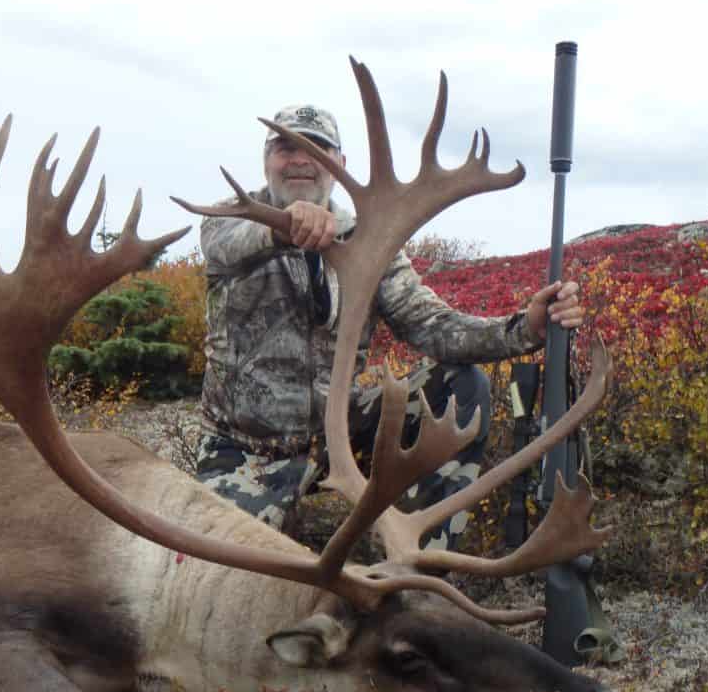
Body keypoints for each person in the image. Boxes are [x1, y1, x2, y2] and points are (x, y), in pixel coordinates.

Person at [196, 103, 586, 550]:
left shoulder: (371, 235)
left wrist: (523, 329)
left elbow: (430, 324)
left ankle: (420, 561)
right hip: (247, 448)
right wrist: (282, 230)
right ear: (267, 161)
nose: (301, 159)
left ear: (340, 165)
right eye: (286, 148)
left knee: (461, 386)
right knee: (218, 568)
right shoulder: (229, 219)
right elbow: (220, 247)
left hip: (337, 432)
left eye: (317, 148)